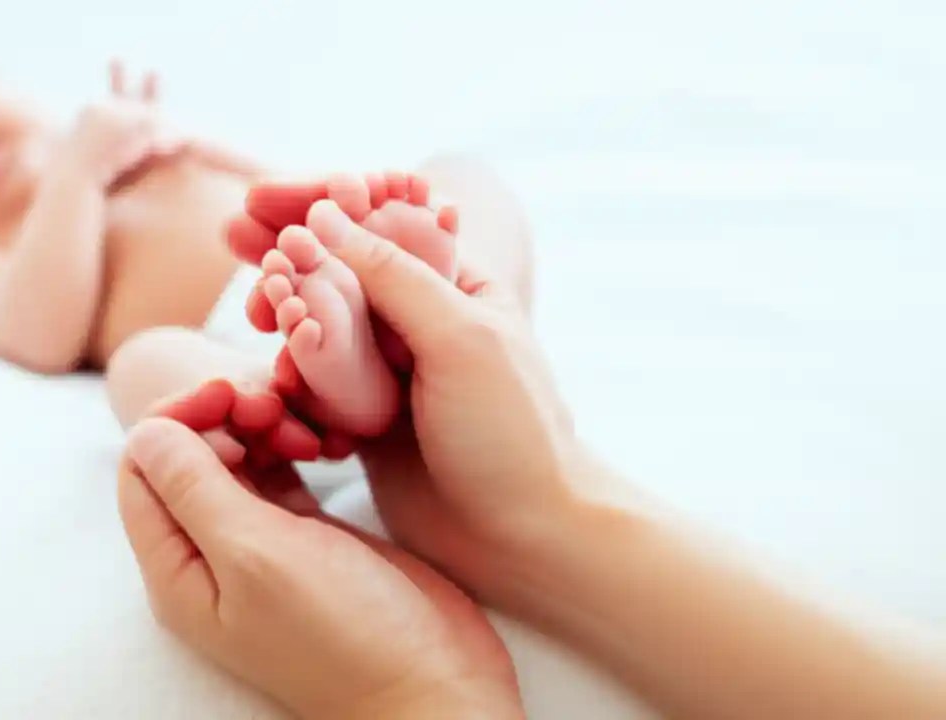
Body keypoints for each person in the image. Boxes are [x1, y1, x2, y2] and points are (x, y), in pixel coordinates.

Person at [118, 179, 946, 718]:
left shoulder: (161, 144)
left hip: (304, 281)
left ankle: (397, 343)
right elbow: (30, 325)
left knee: (472, 190)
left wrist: (414, 698)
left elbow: (250, 190)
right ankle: (358, 366)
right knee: (146, 361)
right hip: (236, 331)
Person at [0, 58, 530, 461]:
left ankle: (453, 296)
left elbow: (266, 189)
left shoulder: (134, 149)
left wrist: (184, 144)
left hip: (319, 267)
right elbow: (37, 339)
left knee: (461, 175)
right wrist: (77, 171)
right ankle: (316, 394)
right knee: (143, 369)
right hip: (241, 346)